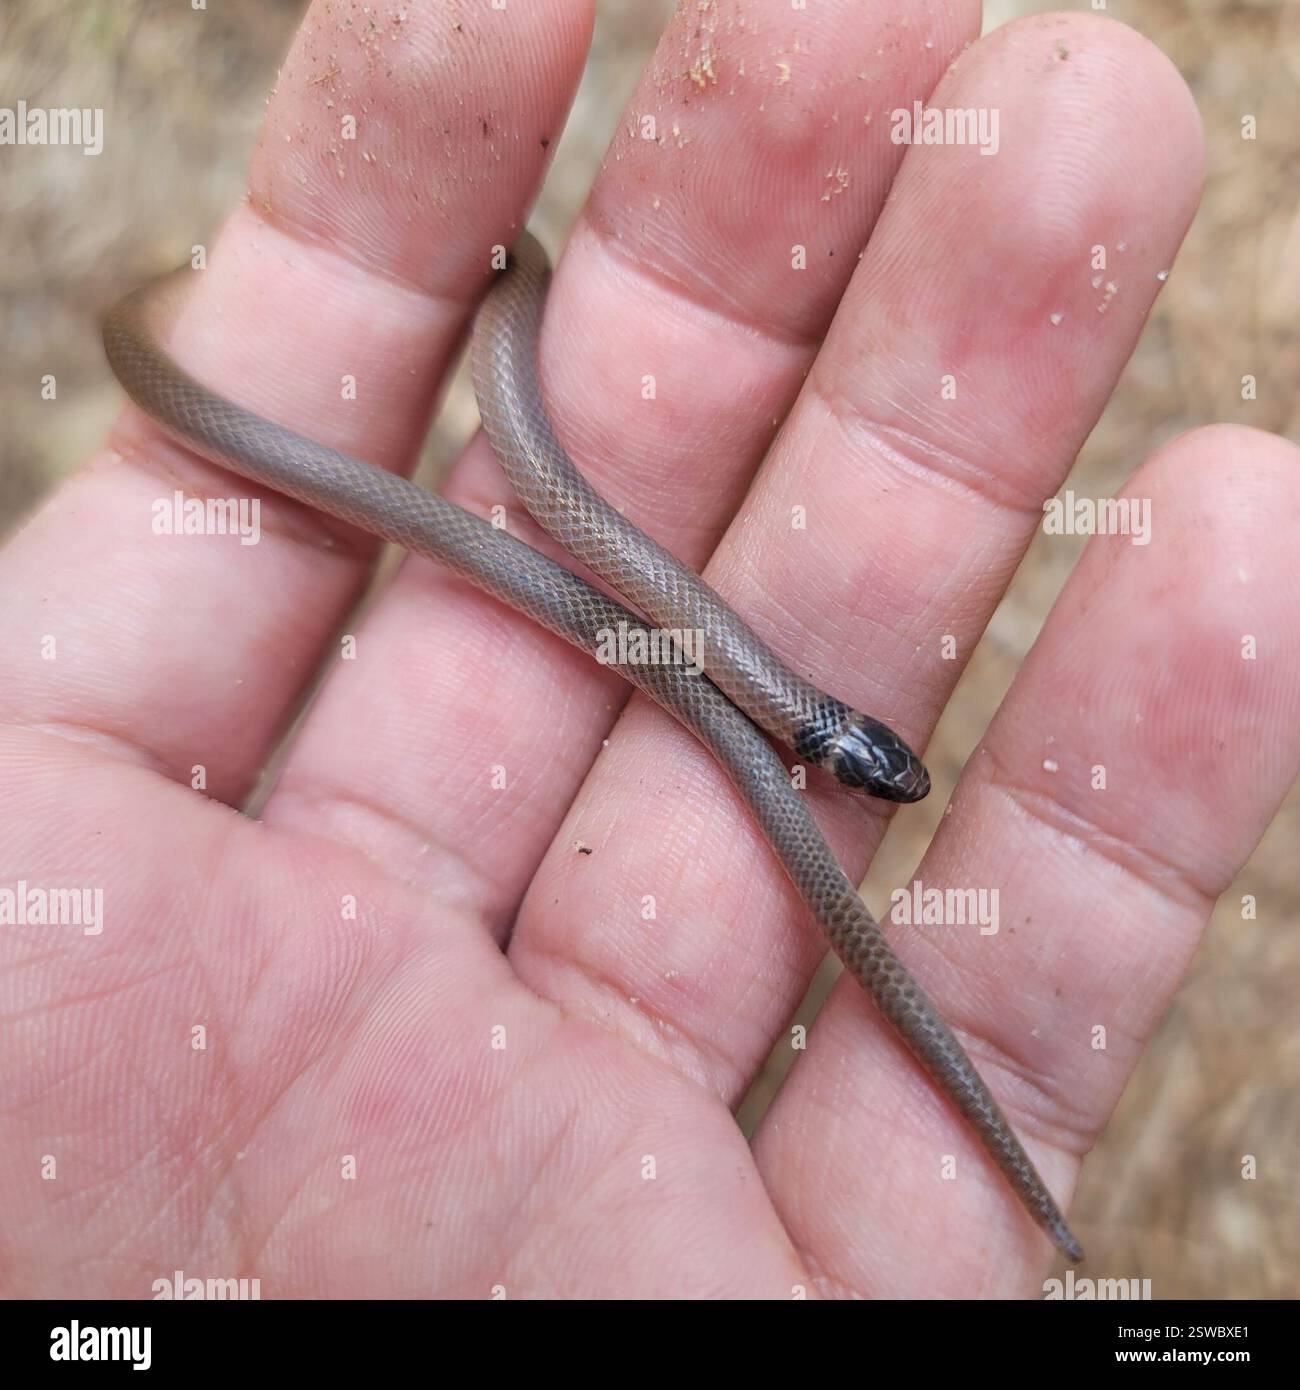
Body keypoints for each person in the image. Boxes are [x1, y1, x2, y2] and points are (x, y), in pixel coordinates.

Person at [2, 1, 1295, 1298]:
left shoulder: (773, 710)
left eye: (863, 765)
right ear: (832, 741)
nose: (880, 779)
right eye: (864, 765)